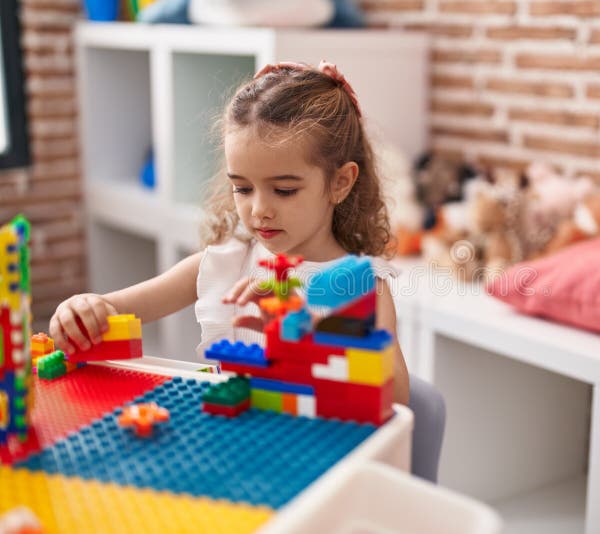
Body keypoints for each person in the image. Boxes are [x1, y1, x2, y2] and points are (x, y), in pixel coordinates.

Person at [49, 60, 410, 404]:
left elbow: (397, 394)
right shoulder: (228, 263)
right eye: (243, 188)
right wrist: (82, 311)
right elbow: (115, 309)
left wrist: (310, 329)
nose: (258, 210)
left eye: (284, 190)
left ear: (340, 182)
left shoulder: (362, 286)